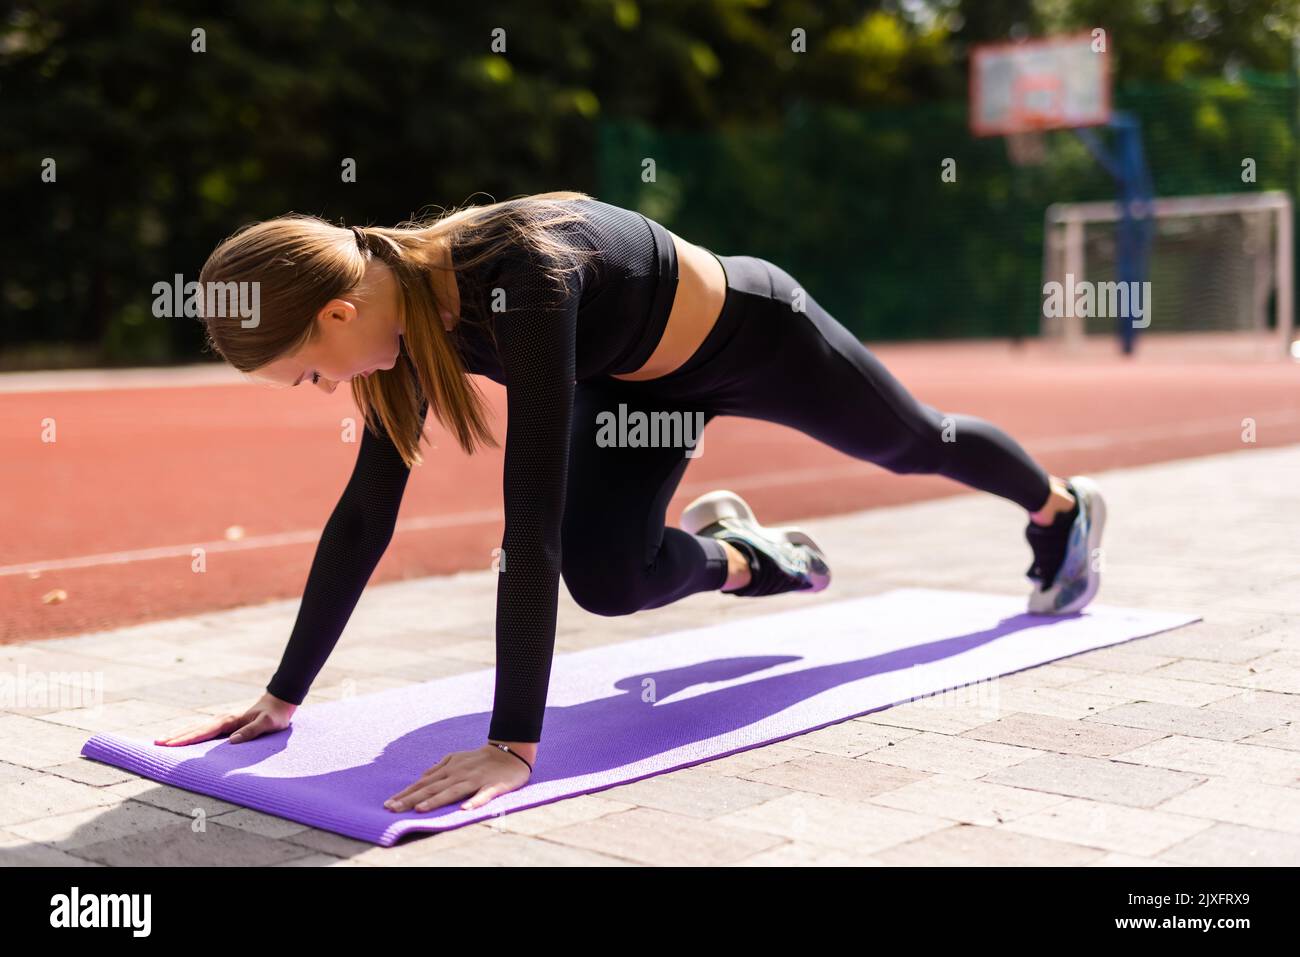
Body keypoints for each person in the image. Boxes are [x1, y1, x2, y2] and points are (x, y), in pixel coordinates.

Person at [155, 190, 1106, 815]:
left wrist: (512, 745)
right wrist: (283, 697)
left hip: (753, 337)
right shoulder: (393, 325)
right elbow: (366, 513)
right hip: (638, 386)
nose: (327, 390)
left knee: (910, 442)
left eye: (309, 374)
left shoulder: (521, 277)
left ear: (335, 313)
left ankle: (1058, 508)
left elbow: (525, 527)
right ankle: (750, 557)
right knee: (608, 579)